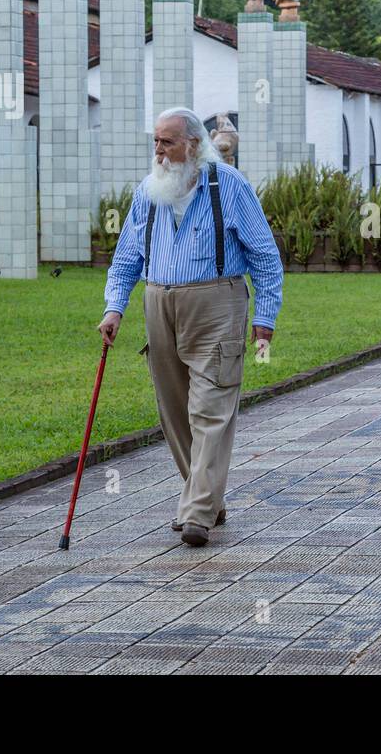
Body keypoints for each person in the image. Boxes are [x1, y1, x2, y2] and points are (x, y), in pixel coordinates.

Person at [99, 107, 283, 547]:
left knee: (211, 407)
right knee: (176, 411)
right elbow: (127, 256)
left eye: (167, 142)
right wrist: (114, 308)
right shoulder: (149, 190)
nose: (159, 151)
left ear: (194, 145)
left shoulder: (230, 187)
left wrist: (265, 317)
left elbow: (265, 256)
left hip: (217, 303)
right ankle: (208, 499)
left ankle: (196, 512)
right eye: (156, 142)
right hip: (158, 303)